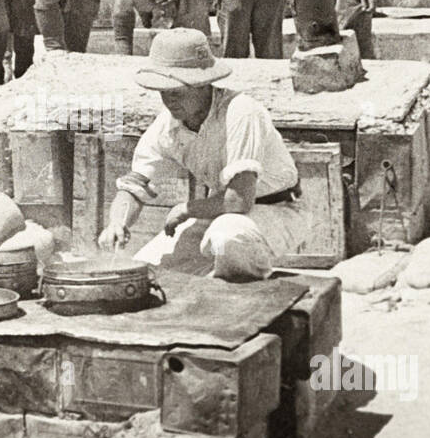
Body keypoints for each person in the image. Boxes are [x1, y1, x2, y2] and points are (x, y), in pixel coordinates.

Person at [98, 29, 306, 280]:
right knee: (147, 272)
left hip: (278, 209)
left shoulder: (241, 111)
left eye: (176, 91)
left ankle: (244, 298)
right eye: (163, 91)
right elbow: (134, 186)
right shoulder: (168, 125)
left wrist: (186, 209)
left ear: (202, 84)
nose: (168, 100)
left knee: (228, 238)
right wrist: (117, 222)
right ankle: (219, 279)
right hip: (217, 212)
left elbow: (239, 201)